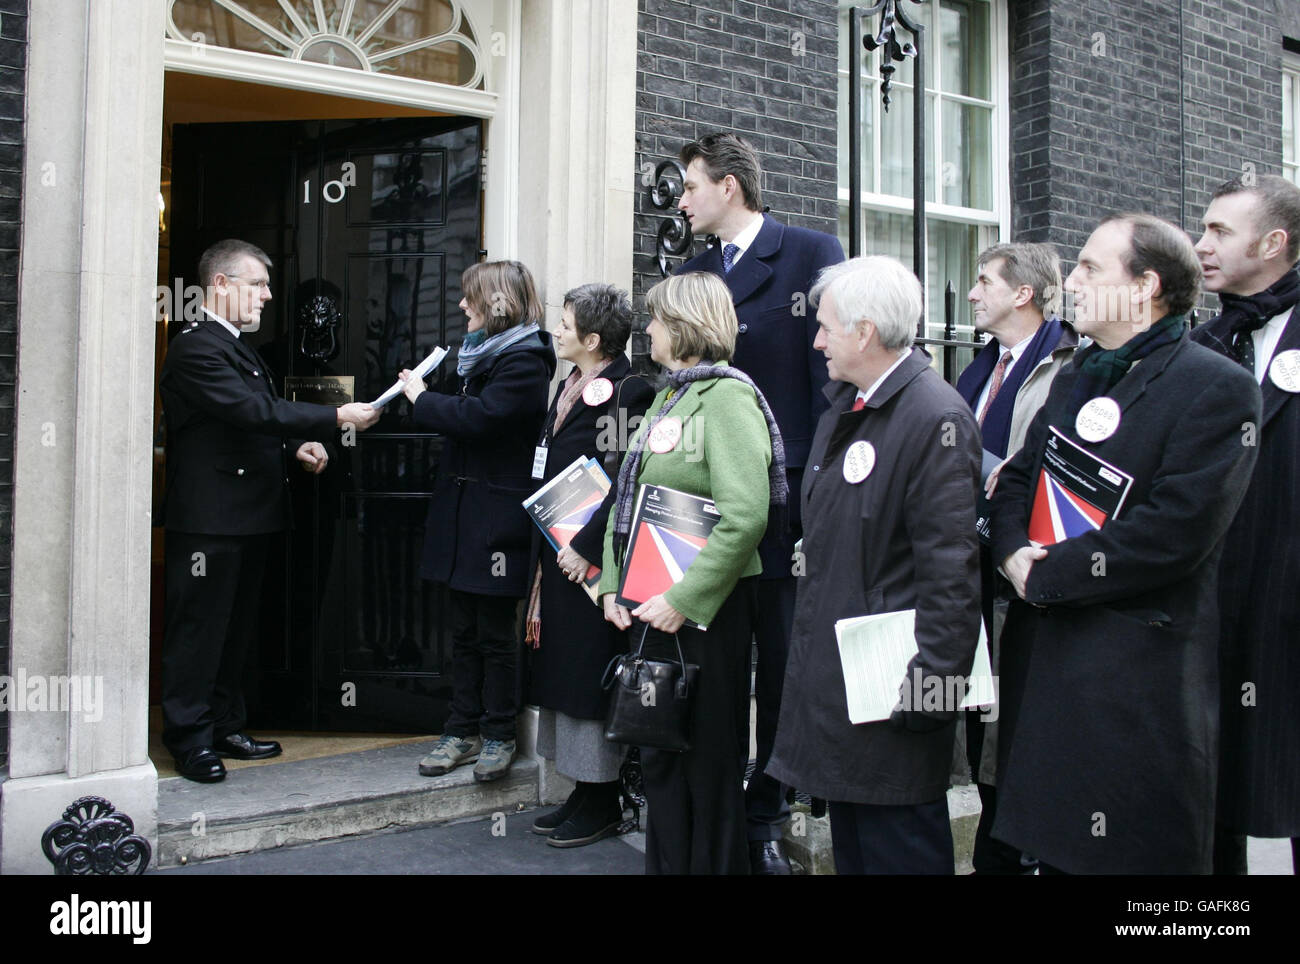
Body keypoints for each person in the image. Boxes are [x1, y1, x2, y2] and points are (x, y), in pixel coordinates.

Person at [988, 214, 1261, 873]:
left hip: (1134, 685)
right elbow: (1020, 477)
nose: (1070, 283)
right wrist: (1011, 552)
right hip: (1046, 661)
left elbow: (1175, 531)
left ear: (1145, 287)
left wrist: (1045, 574)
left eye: (1088, 268)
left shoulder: (1218, 388)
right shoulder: (1078, 374)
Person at [765, 256, 983, 875]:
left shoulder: (933, 418)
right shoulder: (851, 406)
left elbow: (951, 577)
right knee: (859, 850)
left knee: (900, 851)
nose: (816, 339)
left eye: (827, 326)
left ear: (864, 332)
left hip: (895, 695)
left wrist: (928, 693)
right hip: (845, 685)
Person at [675, 132, 844, 873]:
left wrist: (817, 494)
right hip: (702, 502)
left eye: (690, 186)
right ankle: (708, 810)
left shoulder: (811, 254)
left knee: (778, 664)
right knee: (714, 658)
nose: (681, 200)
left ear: (730, 187)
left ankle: (767, 814)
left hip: (782, 505)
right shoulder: (691, 269)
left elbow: (831, 383)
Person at [160, 238, 380, 783]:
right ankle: (188, 738)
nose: (266, 295)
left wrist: (292, 448)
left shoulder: (233, 344)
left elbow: (240, 425)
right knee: (199, 631)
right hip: (210, 520)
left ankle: (225, 724)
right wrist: (332, 419)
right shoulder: (195, 346)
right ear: (220, 285)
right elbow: (250, 409)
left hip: (248, 514)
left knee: (236, 629)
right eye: (256, 284)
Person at [599, 271, 784, 875]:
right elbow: (628, 500)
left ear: (682, 327)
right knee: (661, 761)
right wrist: (610, 584)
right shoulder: (667, 396)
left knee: (706, 766)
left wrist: (684, 598)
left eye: (654, 319)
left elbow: (746, 515)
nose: (645, 329)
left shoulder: (728, 398)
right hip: (650, 607)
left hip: (706, 614)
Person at [401, 260, 555, 783]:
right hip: (463, 516)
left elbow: (482, 419)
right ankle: (460, 727)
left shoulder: (527, 361)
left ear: (496, 303)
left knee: (494, 633)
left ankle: (498, 734)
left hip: (495, 522)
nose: (463, 305)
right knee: (462, 631)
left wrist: (423, 399)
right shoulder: (474, 356)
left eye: (471, 297)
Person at [1191, 173, 1300, 875]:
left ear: (1274, 242)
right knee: (1218, 791)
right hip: (1215, 609)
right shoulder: (1203, 344)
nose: (1200, 246)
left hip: (1289, 599)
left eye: (1219, 232)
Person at [957, 242, 1076, 874]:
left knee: (1015, 723)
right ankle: (995, 851)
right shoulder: (981, 365)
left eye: (983, 281)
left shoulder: (1067, 365)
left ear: (1022, 294)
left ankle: (1012, 855)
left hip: (1021, 571)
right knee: (980, 714)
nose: (971, 292)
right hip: (967, 565)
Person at [524, 283, 654, 847]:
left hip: (591, 563)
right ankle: (581, 788)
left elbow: (623, 478)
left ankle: (603, 797)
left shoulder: (629, 390)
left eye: (566, 322)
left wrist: (585, 546)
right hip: (557, 554)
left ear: (594, 339)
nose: (557, 329)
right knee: (562, 673)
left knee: (586, 674)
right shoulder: (568, 381)